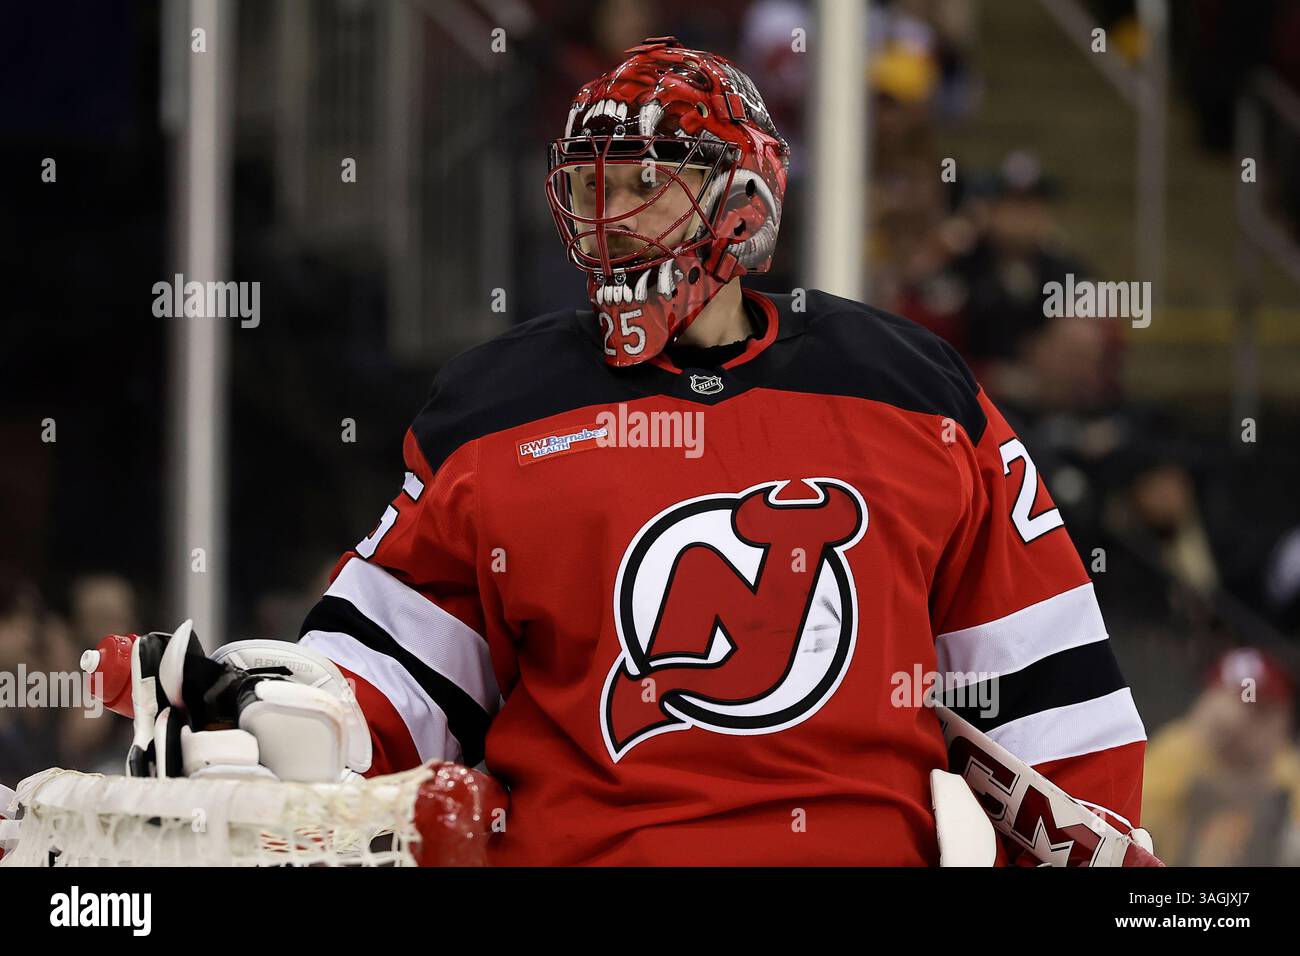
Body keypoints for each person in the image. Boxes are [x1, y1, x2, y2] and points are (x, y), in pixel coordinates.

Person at [307, 38, 1148, 864]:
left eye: (648, 182)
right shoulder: (496, 408)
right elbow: (383, 679)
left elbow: (1052, 695)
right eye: (593, 183)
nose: (613, 214)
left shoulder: (910, 391)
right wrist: (275, 713)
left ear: (743, 197)